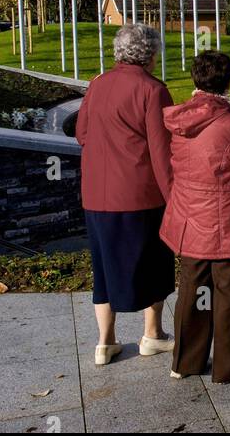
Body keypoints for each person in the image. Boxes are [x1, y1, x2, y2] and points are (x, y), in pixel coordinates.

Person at [74, 23, 176, 366]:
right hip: (139, 195)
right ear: (150, 55)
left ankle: (105, 342)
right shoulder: (153, 90)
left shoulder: (97, 84)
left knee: (102, 267)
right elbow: (162, 151)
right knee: (154, 264)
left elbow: (81, 133)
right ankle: (153, 335)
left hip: (96, 195)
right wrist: (174, 196)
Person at [161, 51, 230, 383]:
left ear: (195, 80)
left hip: (191, 220)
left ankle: (186, 362)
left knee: (194, 292)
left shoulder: (178, 120)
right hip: (229, 221)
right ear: (228, 81)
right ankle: (228, 367)